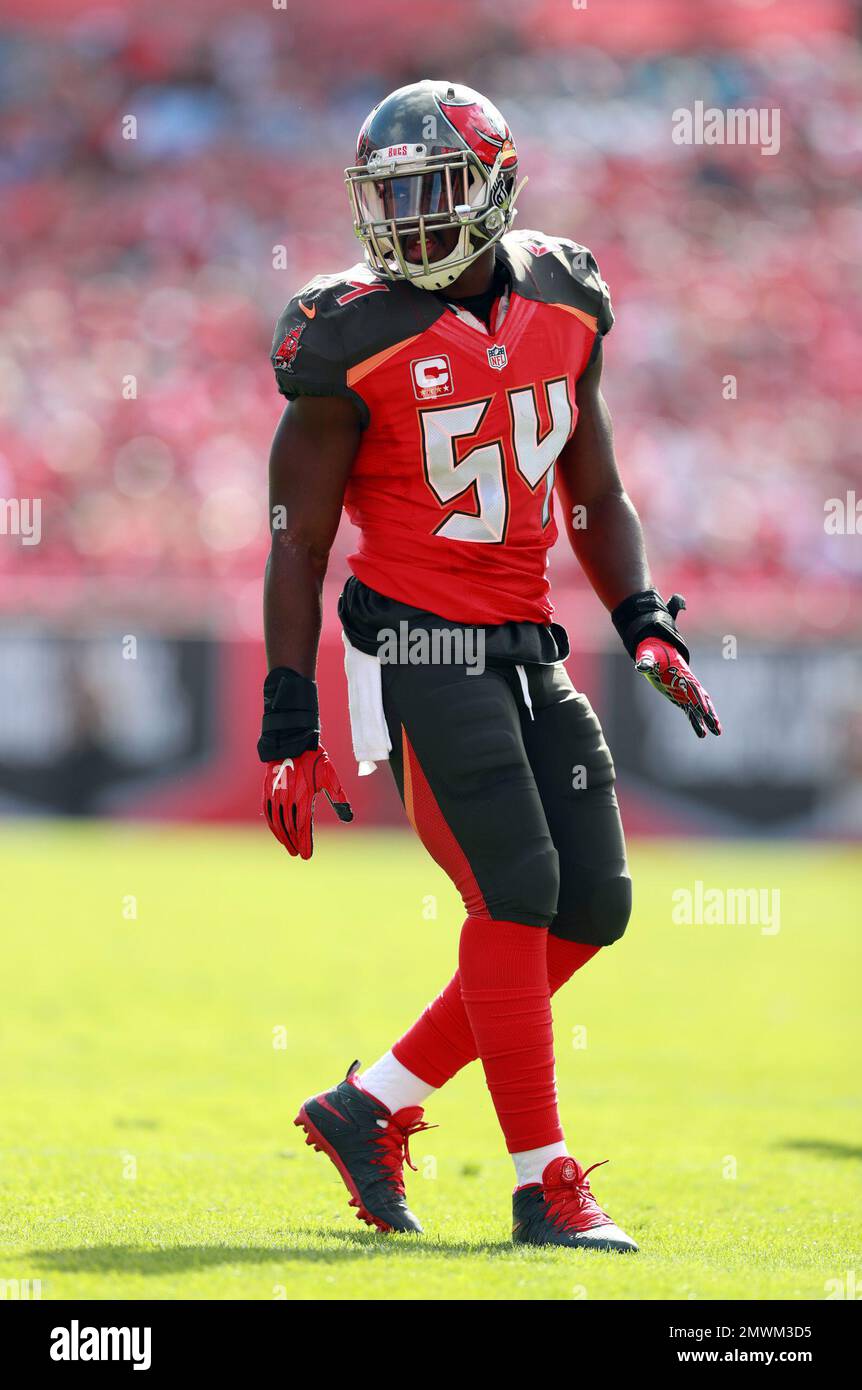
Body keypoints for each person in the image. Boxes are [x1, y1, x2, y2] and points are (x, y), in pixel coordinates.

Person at [259, 80, 721, 1251]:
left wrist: (643, 620)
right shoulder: (345, 330)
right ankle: (543, 1182)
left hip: (525, 638)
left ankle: (372, 1106)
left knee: (592, 905)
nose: (410, 219)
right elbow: (297, 540)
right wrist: (287, 717)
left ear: (496, 185)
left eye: (434, 191)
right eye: (391, 196)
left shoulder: (566, 290)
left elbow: (595, 487)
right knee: (511, 891)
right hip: (415, 638)